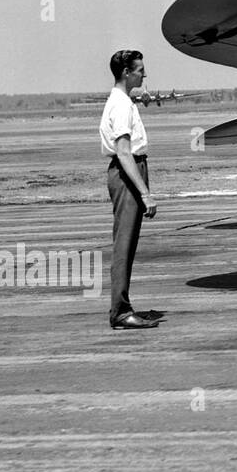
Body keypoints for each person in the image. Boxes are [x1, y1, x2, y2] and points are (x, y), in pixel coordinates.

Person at [100, 50, 161, 330]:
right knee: (124, 245)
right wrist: (145, 193)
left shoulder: (121, 100)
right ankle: (121, 312)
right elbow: (124, 152)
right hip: (128, 172)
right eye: (139, 70)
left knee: (126, 243)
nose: (144, 75)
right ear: (127, 72)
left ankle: (122, 308)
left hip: (128, 171)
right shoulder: (121, 105)